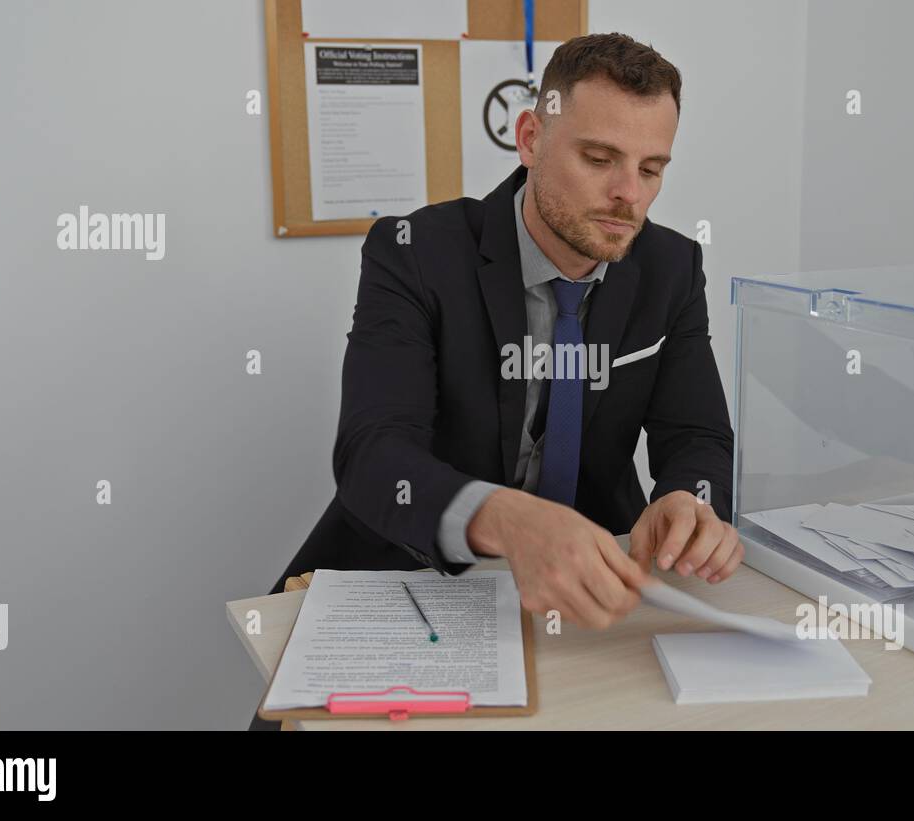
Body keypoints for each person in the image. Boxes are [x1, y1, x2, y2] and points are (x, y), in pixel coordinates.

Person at [250, 33, 738, 729]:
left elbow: (696, 434)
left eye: (652, 168)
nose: (629, 194)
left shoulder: (672, 268)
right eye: (598, 158)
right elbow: (372, 452)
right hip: (410, 581)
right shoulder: (414, 254)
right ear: (531, 137)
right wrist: (506, 520)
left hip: (586, 603)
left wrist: (693, 502)